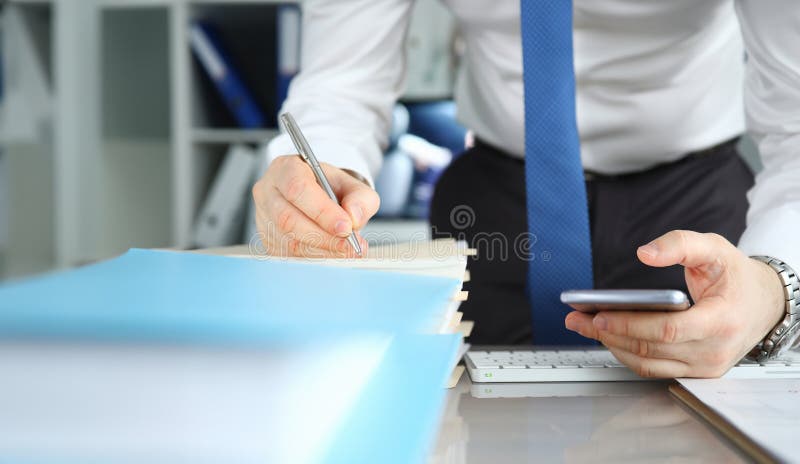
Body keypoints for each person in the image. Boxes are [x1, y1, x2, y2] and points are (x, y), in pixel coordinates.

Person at [251, 1, 800, 378]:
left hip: (695, 213)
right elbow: (342, 80)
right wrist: (319, 170)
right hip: (495, 204)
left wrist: (776, 287)